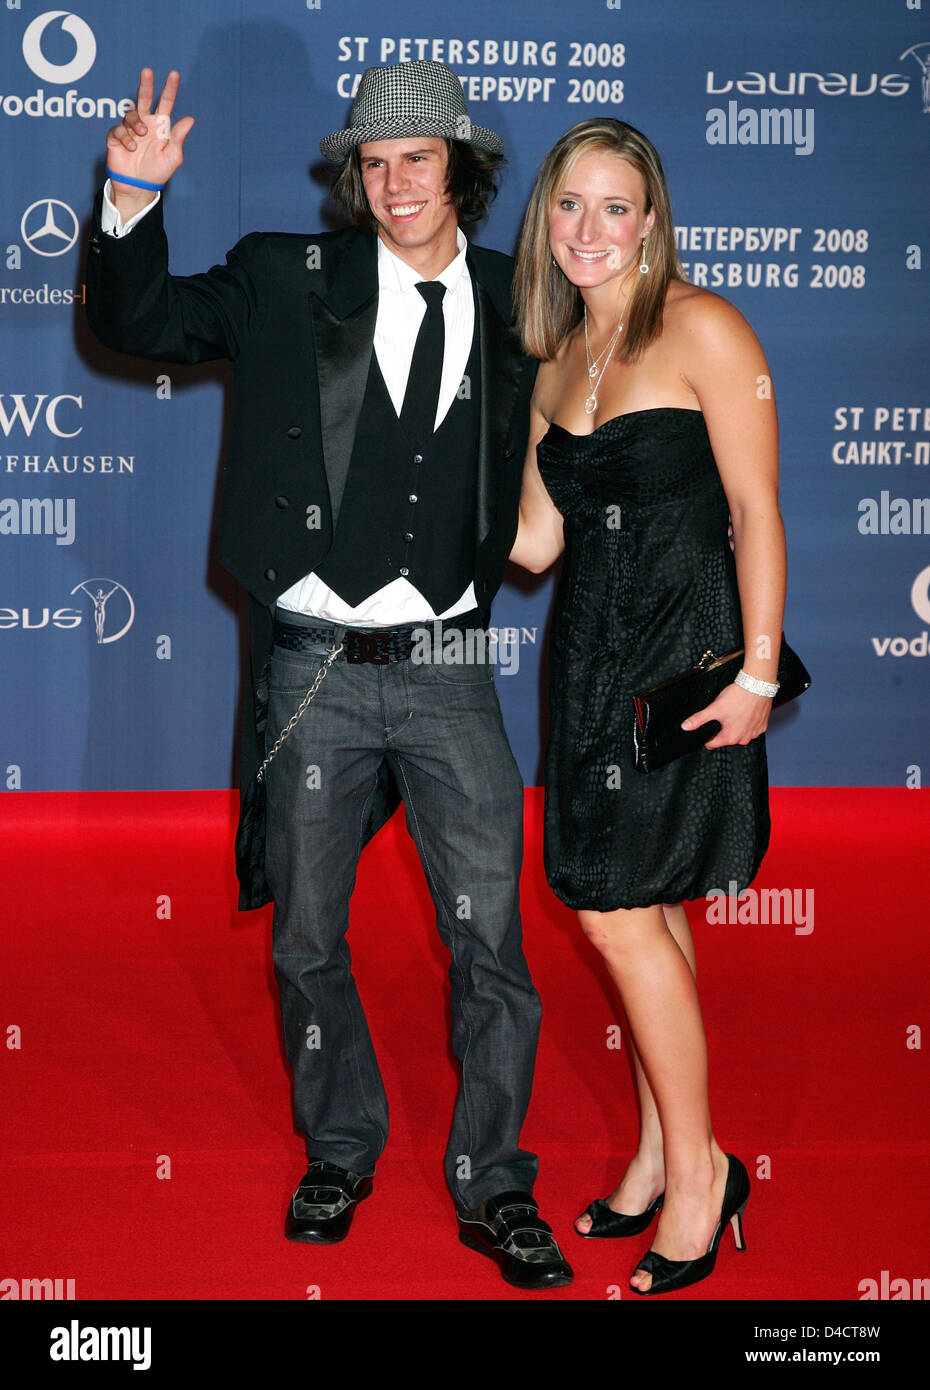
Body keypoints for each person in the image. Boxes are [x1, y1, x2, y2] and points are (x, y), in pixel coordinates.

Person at [85, 60, 573, 1292]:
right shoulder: (281, 277)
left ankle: (494, 1180)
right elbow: (141, 324)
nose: (394, 182)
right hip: (312, 664)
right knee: (308, 933)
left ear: (462, 168)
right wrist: (134, 195)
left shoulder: (528, 301)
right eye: (373, 160)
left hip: (453, 656)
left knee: (492, 942)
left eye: (418, 159)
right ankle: (340, 1145)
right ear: (353, 176)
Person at [509, 118, 787, 1295]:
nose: (589, 230)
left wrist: (760, 673)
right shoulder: (557, 355)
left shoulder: (705, 326)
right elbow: (530, 544)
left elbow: (757, 509)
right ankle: (656, 1152)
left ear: (653, 218)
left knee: (623, 919)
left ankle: (702, 1175)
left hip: (684, 659)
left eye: (613, 206)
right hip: (583, 664)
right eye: (569, 206)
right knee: (649, 914)